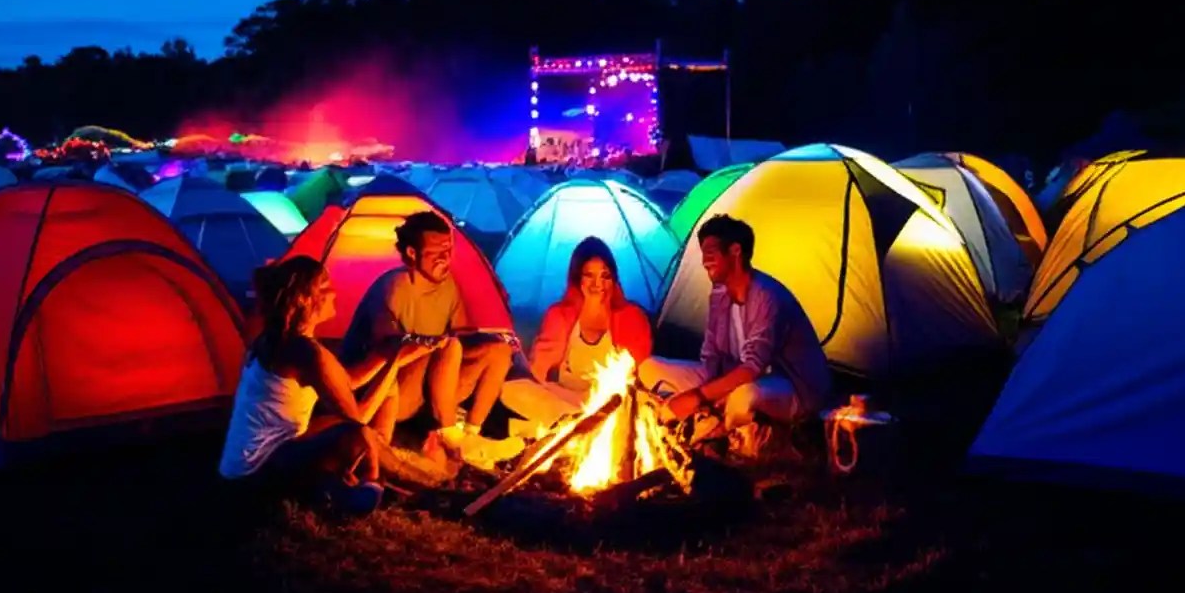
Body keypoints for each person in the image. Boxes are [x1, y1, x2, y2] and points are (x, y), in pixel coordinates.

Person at [218, 256, 443, 513]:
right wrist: (392, 363)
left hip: (241, 469)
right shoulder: (305, 351)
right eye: (325, 287)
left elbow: (346, 381)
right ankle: (424, 488)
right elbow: (356, 418)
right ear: (303, 299)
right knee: (357, 435)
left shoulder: (275, 338)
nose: (334, 291)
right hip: (258, 475)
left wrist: (389, 355)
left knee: (336, 424)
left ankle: (344, 484)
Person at [341, 211, 524, 469]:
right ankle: (452, 437)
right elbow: (386, 352)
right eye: (435, 253)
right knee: (449, 346)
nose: (445, 259)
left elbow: (462, 334)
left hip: (434, 389)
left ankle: (470, 436)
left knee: (498, 350)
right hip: (390, 394)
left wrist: (491, 338)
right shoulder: (393, 288)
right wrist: (431, 343)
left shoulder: (447, 286)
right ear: (413, 254)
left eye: (448, 251)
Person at [640, 214, 833, 454]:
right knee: (648, 367)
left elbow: (753, 368)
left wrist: (699, 396)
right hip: (731, 379)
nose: (704, 260)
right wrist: (708, 393)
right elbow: (710, 356)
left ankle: (729, 435)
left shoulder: (767, 297)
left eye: (711, 251)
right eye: (703, 252)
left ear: (735, 251)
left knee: (744, 396)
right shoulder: (719, 295)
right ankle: (703, 419)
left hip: (793, 386)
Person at [501, 236, 653, 428]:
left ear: (614, 279)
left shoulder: (631, 315)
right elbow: (538, 368)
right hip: (568, 401)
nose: (597, 284)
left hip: (612, 402)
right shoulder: (560, 314)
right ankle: (576, 424)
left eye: (605, 276)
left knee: (639, 402)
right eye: (589, 275)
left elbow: (640, 371)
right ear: (577, 277)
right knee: (512, 389)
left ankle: (574, 427)